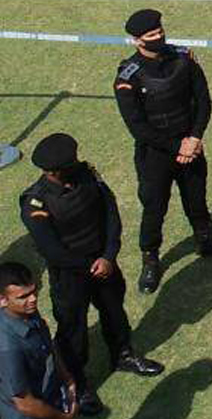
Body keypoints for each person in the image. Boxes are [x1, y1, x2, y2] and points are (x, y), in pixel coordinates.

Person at [18, 136, 163, 415]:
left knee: (114, 312)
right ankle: (78, 383)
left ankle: (123, 355)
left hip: (103, 263)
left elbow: (110, 211)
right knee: (73, 330)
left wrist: (109, 255)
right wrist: (92, 265)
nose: (76, 163)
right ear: (54, 171)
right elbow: (52, 250)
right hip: (71, 276)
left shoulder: (86, 175)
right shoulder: (36, 202)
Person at [112, 9, 212, 295]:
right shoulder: (128, 76)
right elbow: (137, 127)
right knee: (154, 207)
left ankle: (206, 241)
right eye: (151, 36)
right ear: (136, 40)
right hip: (155, 155)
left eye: (160, 32)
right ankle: (150, 259)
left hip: (190, 146)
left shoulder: (184, 58)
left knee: (196, 198)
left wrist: (194, 138)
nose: (158, 37)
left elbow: (203, 101)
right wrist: (178, 146)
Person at [0, 263, 76, 419]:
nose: (33, 299)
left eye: (33, 291)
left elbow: (49, 346)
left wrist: (67, 378)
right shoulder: (7, 347)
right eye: (23, 297)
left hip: (48, 395)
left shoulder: (25, 310)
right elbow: (25, 404)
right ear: (2, 300)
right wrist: (62, 417)